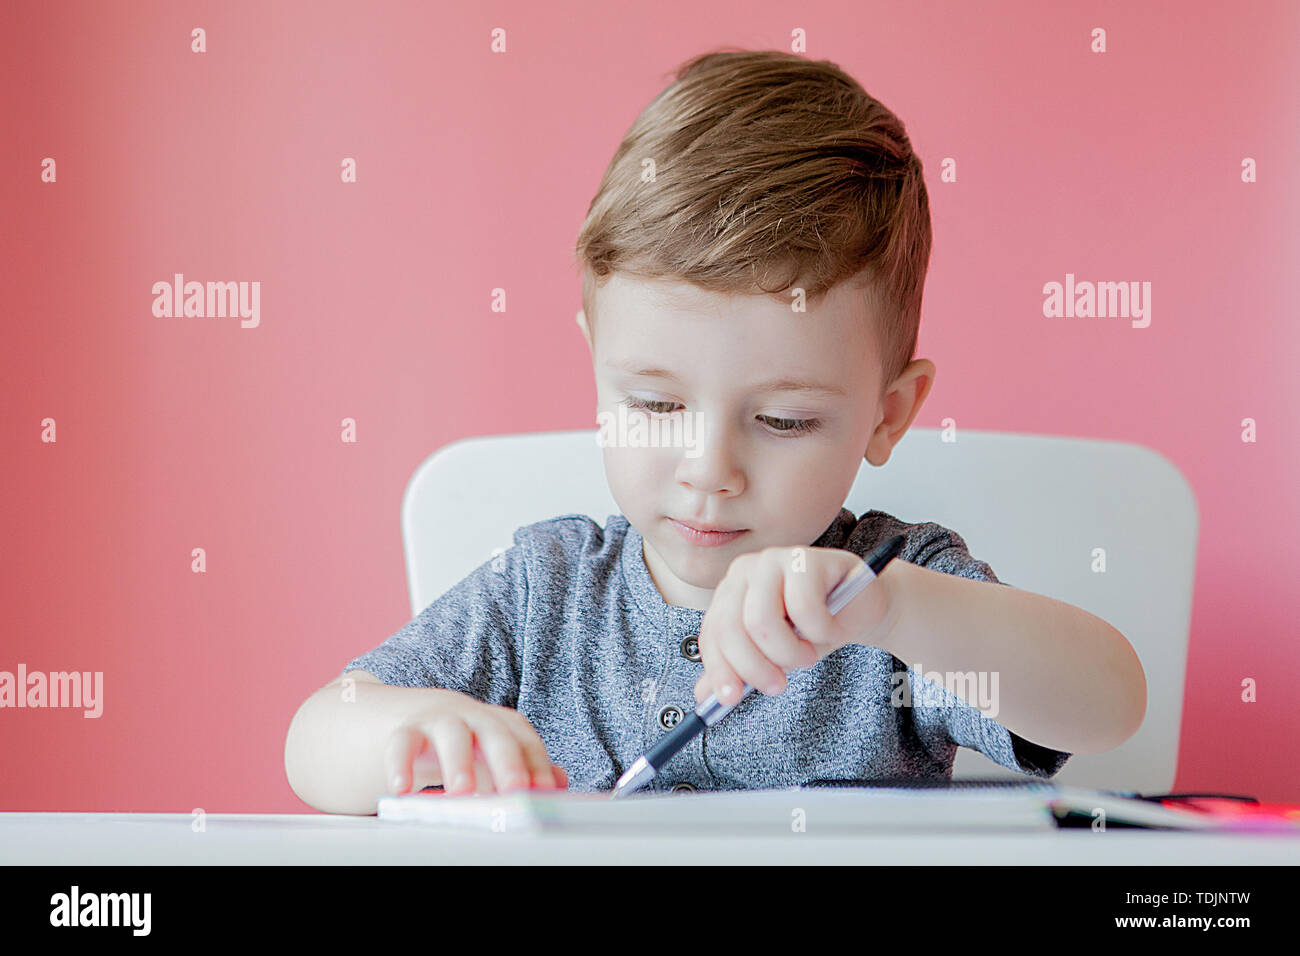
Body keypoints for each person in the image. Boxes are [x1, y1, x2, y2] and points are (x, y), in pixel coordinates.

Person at [284, 49, 1146, 815]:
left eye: (783, 420)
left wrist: (899, 612)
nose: (711, 471)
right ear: (598, 370)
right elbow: (317, 737)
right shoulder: (541, 597)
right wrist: (420, 726)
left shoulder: (893, 600)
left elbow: (1109, 702)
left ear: (887, 415)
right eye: (656, 405)